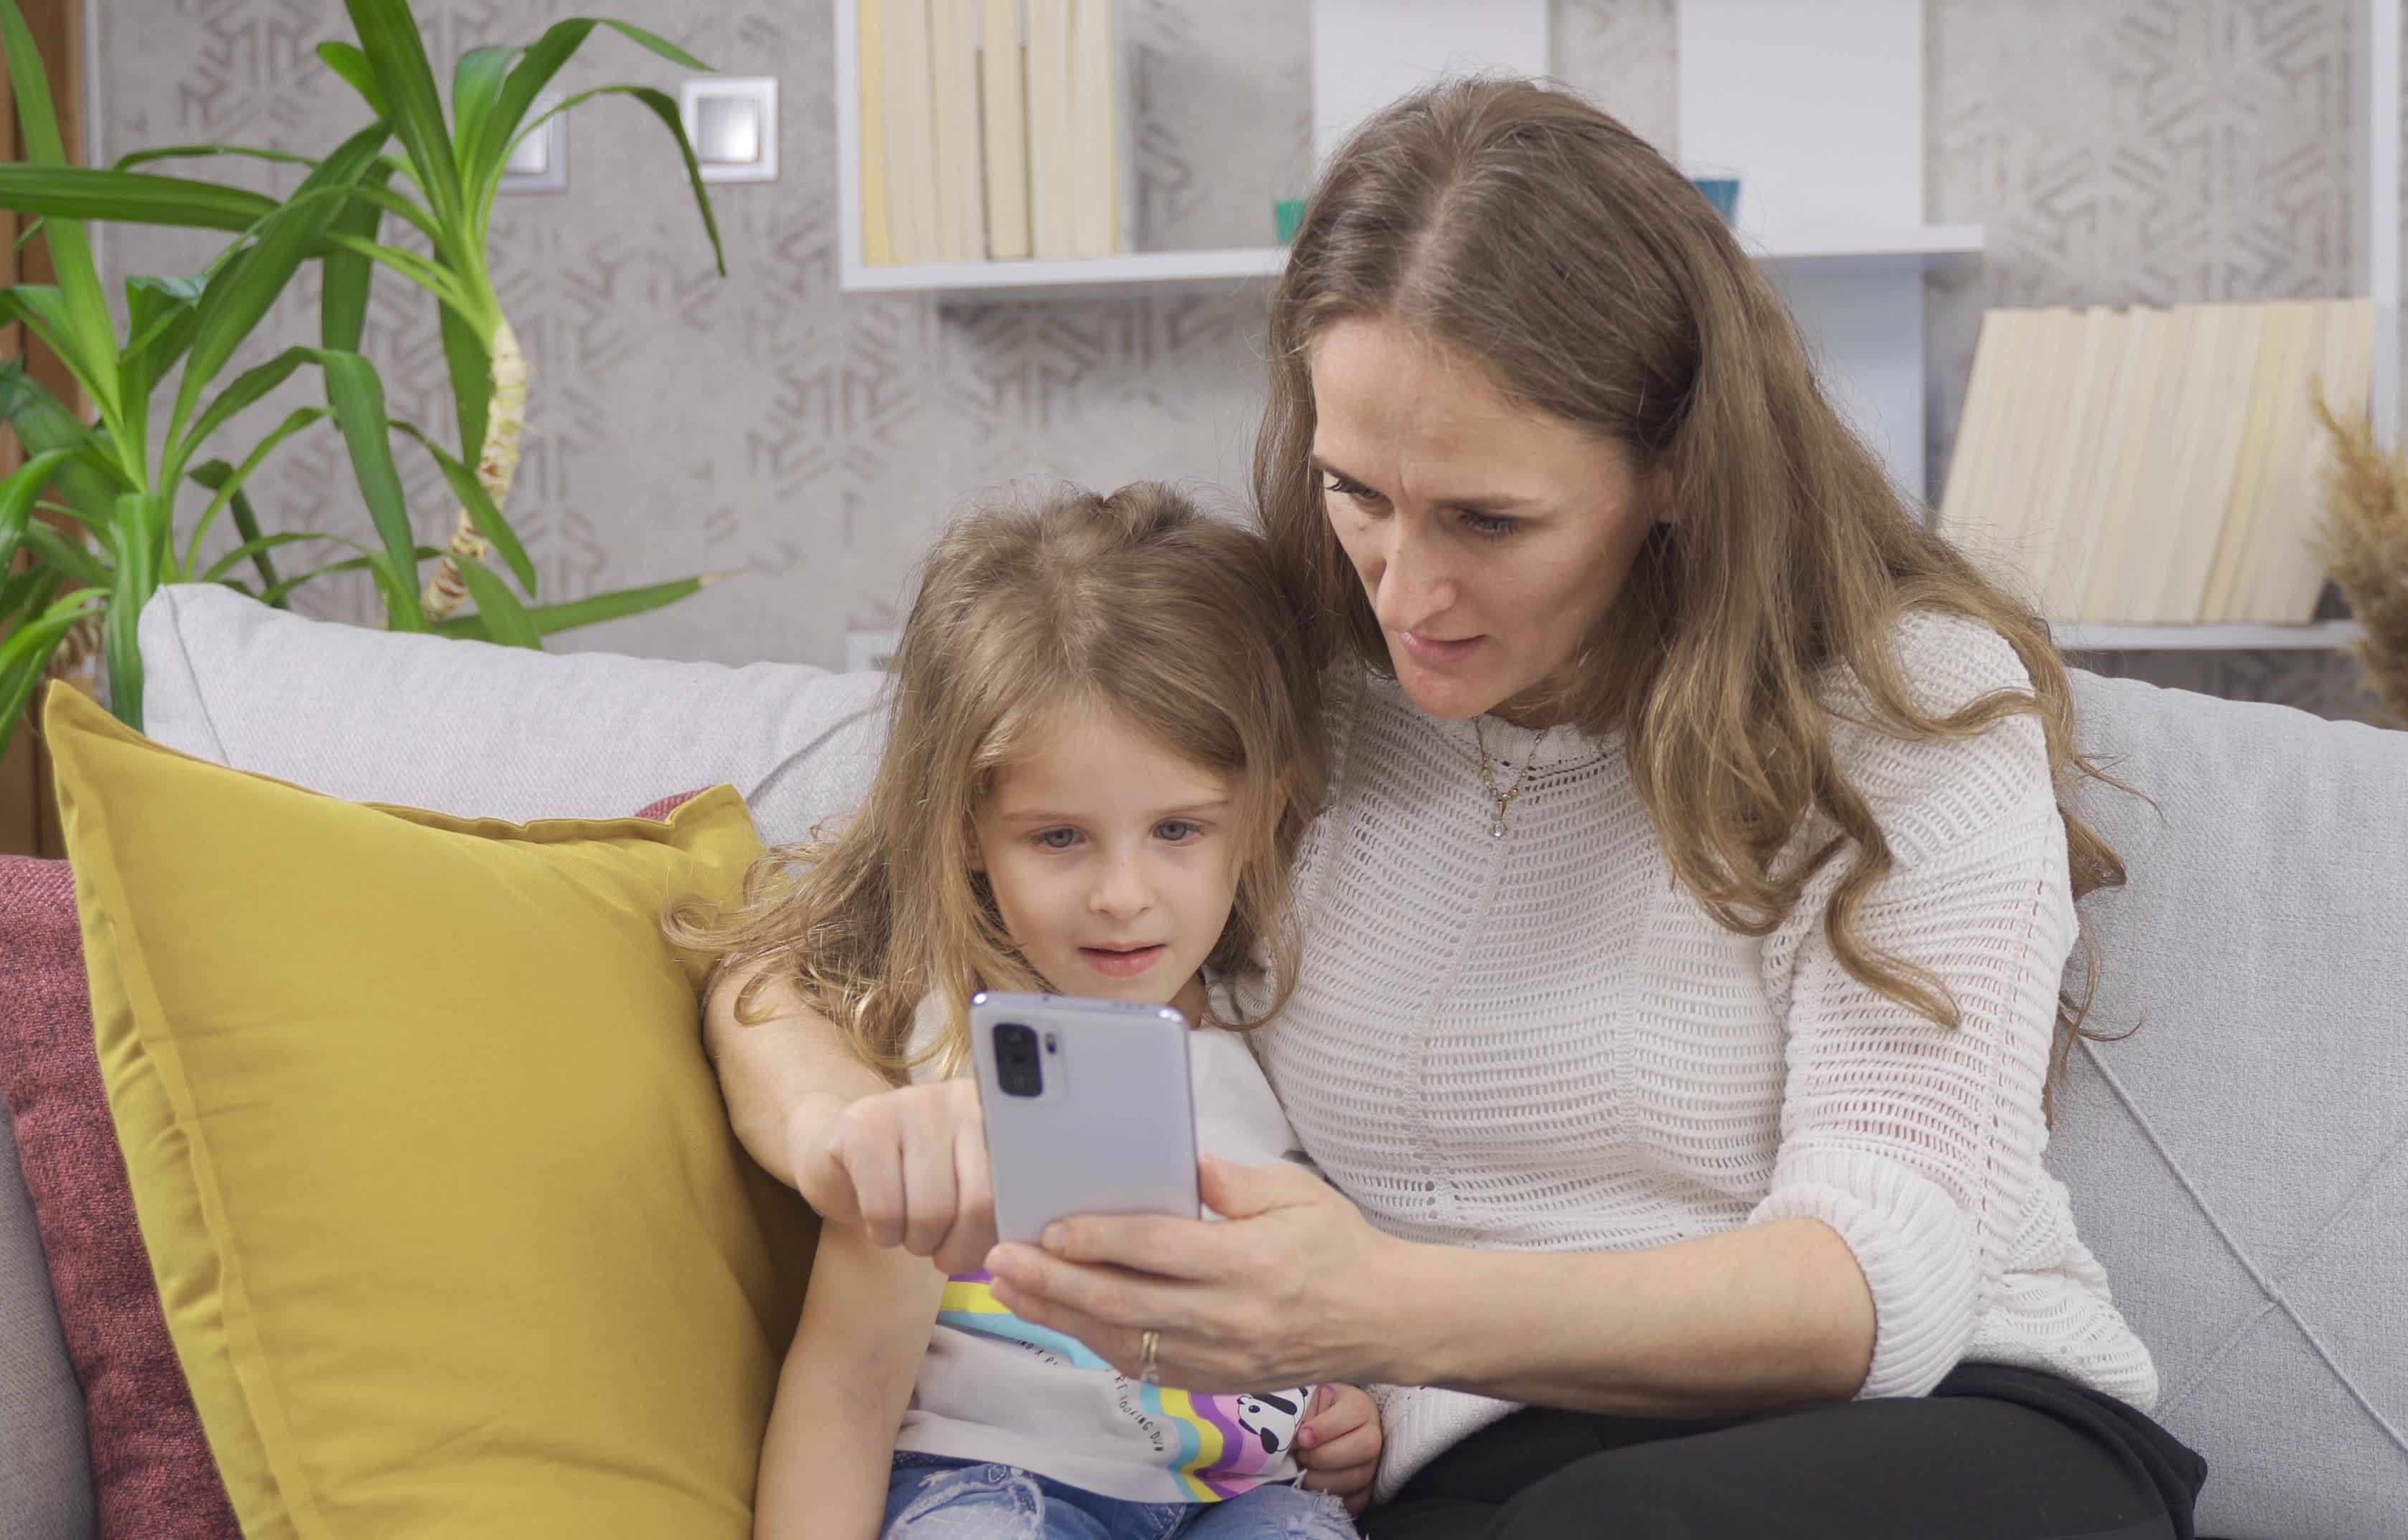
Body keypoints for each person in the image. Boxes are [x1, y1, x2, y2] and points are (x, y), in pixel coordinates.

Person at [704, 78, 2209, 1539]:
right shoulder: (1294, 686)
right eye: (1357, 490)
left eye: (1489, 520)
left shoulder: (1910, 710)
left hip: (1945, 1421)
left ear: (1679, 469)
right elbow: (794, 946)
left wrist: (1375, 1309)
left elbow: (1885, 1287)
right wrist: (852, 1133)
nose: (1406, 595)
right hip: (1488, 1463)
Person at [673, 486, 1380, 1539]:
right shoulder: (941, 1060)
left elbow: (1321, 1306)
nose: (1121, 895)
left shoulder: (1284, 1040)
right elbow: (847, 1390)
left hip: (1236, 1504)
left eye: (1179, 830)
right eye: (1058, 838)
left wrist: (1346, 1414)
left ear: (1265, 813)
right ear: (965, 828)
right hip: (995, 1491)